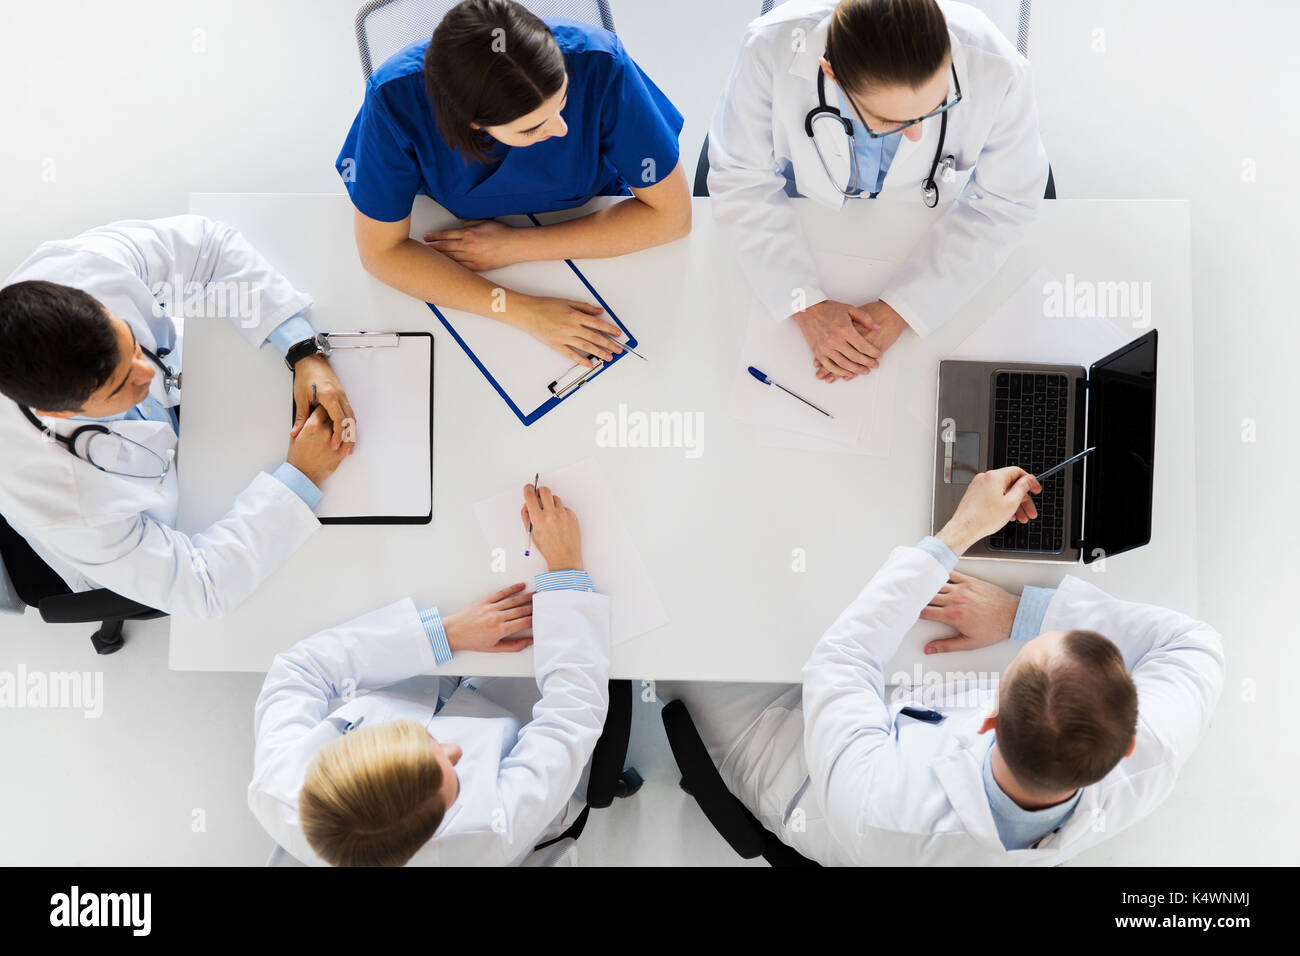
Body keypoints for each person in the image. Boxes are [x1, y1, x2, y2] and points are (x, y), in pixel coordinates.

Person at [663, 467, 1224, 865]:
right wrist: (1016, 615)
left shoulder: (884, 811)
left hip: (788, 750)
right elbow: (1195, 643)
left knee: (682, 611)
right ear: (1128, 742)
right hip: (894, 707)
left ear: (987, 716)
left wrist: (958, 532)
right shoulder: (1149, 751)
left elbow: (842, 658)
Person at [0, 216, 357, 621]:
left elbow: (210, 249)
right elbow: (200, 585)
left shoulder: (86, 267)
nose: (147, 373)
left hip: (199, 425)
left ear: (99, 304)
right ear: (58, 413)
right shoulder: (70, 504)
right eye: (121, 386)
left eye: (133, 345)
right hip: (140, 534)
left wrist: (302, 348)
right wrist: (300, 477)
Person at [248, 484, 611, 866]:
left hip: (410, 673)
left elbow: (300, 668)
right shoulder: (486, 831)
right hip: (513, 705)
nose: (453, 749)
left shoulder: (281, 785)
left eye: (422, 738)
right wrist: (566, 569)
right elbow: (570, 716)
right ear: (432, 831)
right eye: (453, 776)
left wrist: (445, 635)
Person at [708, 0, 1049, 382]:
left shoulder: (998, 68)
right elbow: (740, 179)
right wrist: (802, 303)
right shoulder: (770, 45)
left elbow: (1006, 204)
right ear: (831, 73)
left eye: (937, 106)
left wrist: (902, 309)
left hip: (918, 230)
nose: (918, 133)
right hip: (811, 215)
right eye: (889, 120)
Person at [339, 0, 690, 369]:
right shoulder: (394, 100)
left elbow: (672, 217)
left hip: (597, 221)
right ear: (474, 124)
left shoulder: (601, 63)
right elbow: (381, 252)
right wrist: (521, 310)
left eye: (564, 99)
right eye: (531, 127)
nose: (561, 128)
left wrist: (513, 246)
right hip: (460, 246)